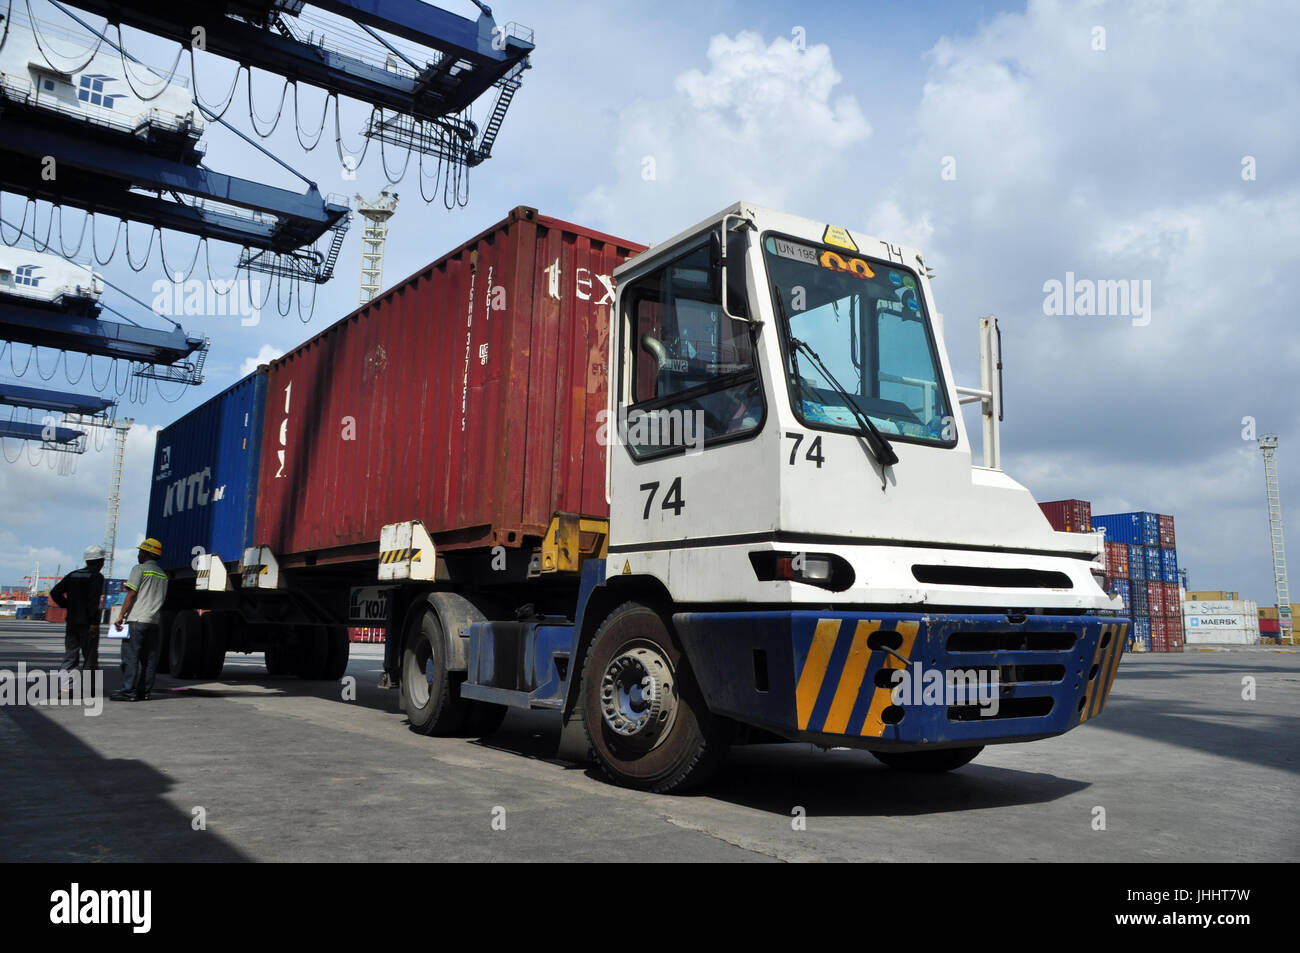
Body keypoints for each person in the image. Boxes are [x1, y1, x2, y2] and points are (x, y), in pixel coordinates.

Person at [110, 538, 168, 702]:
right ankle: (144, 692)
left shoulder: (139, 569)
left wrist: (120, 616)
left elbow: (131, 594)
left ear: (146, 553)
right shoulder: (163, 575)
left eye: (140, 551)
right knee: (149, 659)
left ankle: (128, 691)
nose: (138, 554)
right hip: (154, 622)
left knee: (131, 657)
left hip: (136, 620)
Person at [50, 545, 106, 687]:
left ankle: (65, 688)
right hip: (88, 624)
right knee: (90, 658)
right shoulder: (97, 577)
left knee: (70, 657)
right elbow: (94, 602)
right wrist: (94, 622)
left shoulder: (72, 575)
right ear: (100, 561)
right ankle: (90, 688)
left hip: (72, 622)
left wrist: (67, 605)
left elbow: (55, 592)